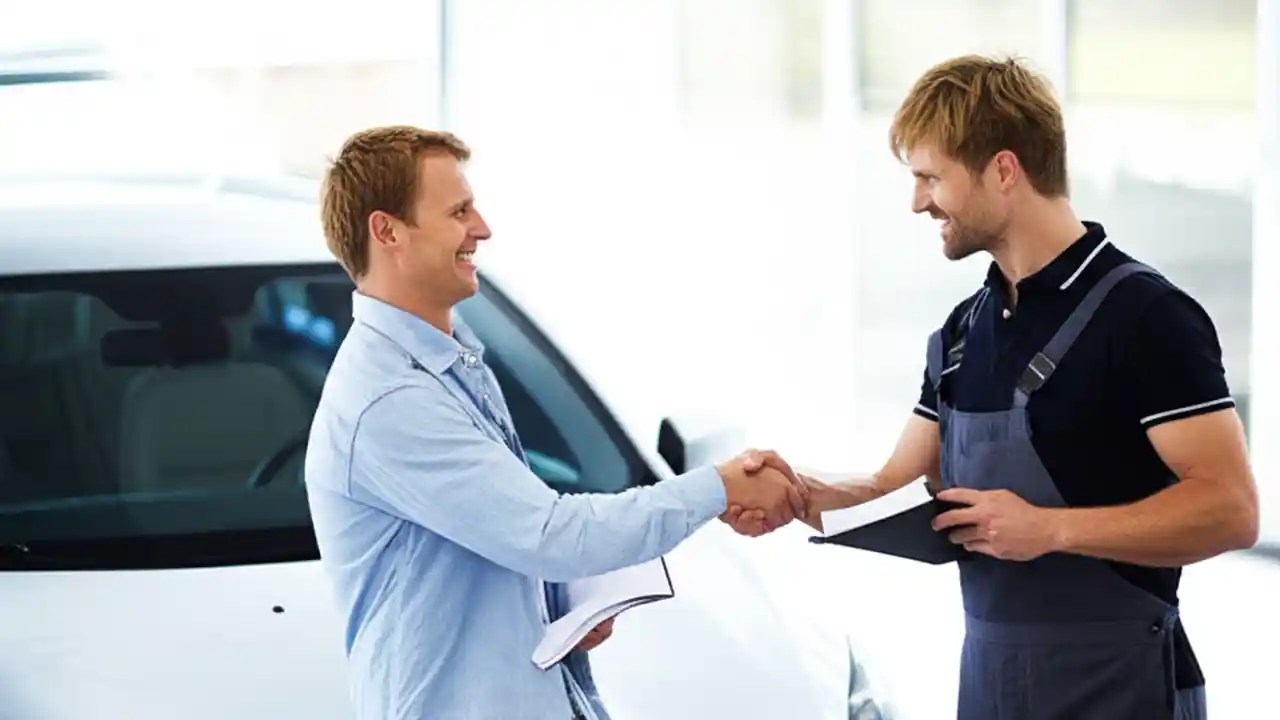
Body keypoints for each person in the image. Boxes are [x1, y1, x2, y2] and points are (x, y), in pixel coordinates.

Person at [726, 55, 1258, 719]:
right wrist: (794, 492)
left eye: (930, 177)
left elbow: (1231, 509)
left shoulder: (1145, 317)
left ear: (1003, 170)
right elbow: (894, 488)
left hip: (1118, 687)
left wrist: (1050, 531)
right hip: (989, 687)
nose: (917, 201)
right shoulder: (958, 337)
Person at [302, 125, 807, 720]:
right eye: (459, 211)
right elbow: (549, 535)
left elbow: (493, 534)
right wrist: (720, 486)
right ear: (387, 231)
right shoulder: (387, 401)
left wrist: (554, 606)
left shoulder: (450, 359)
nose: (482, 228)